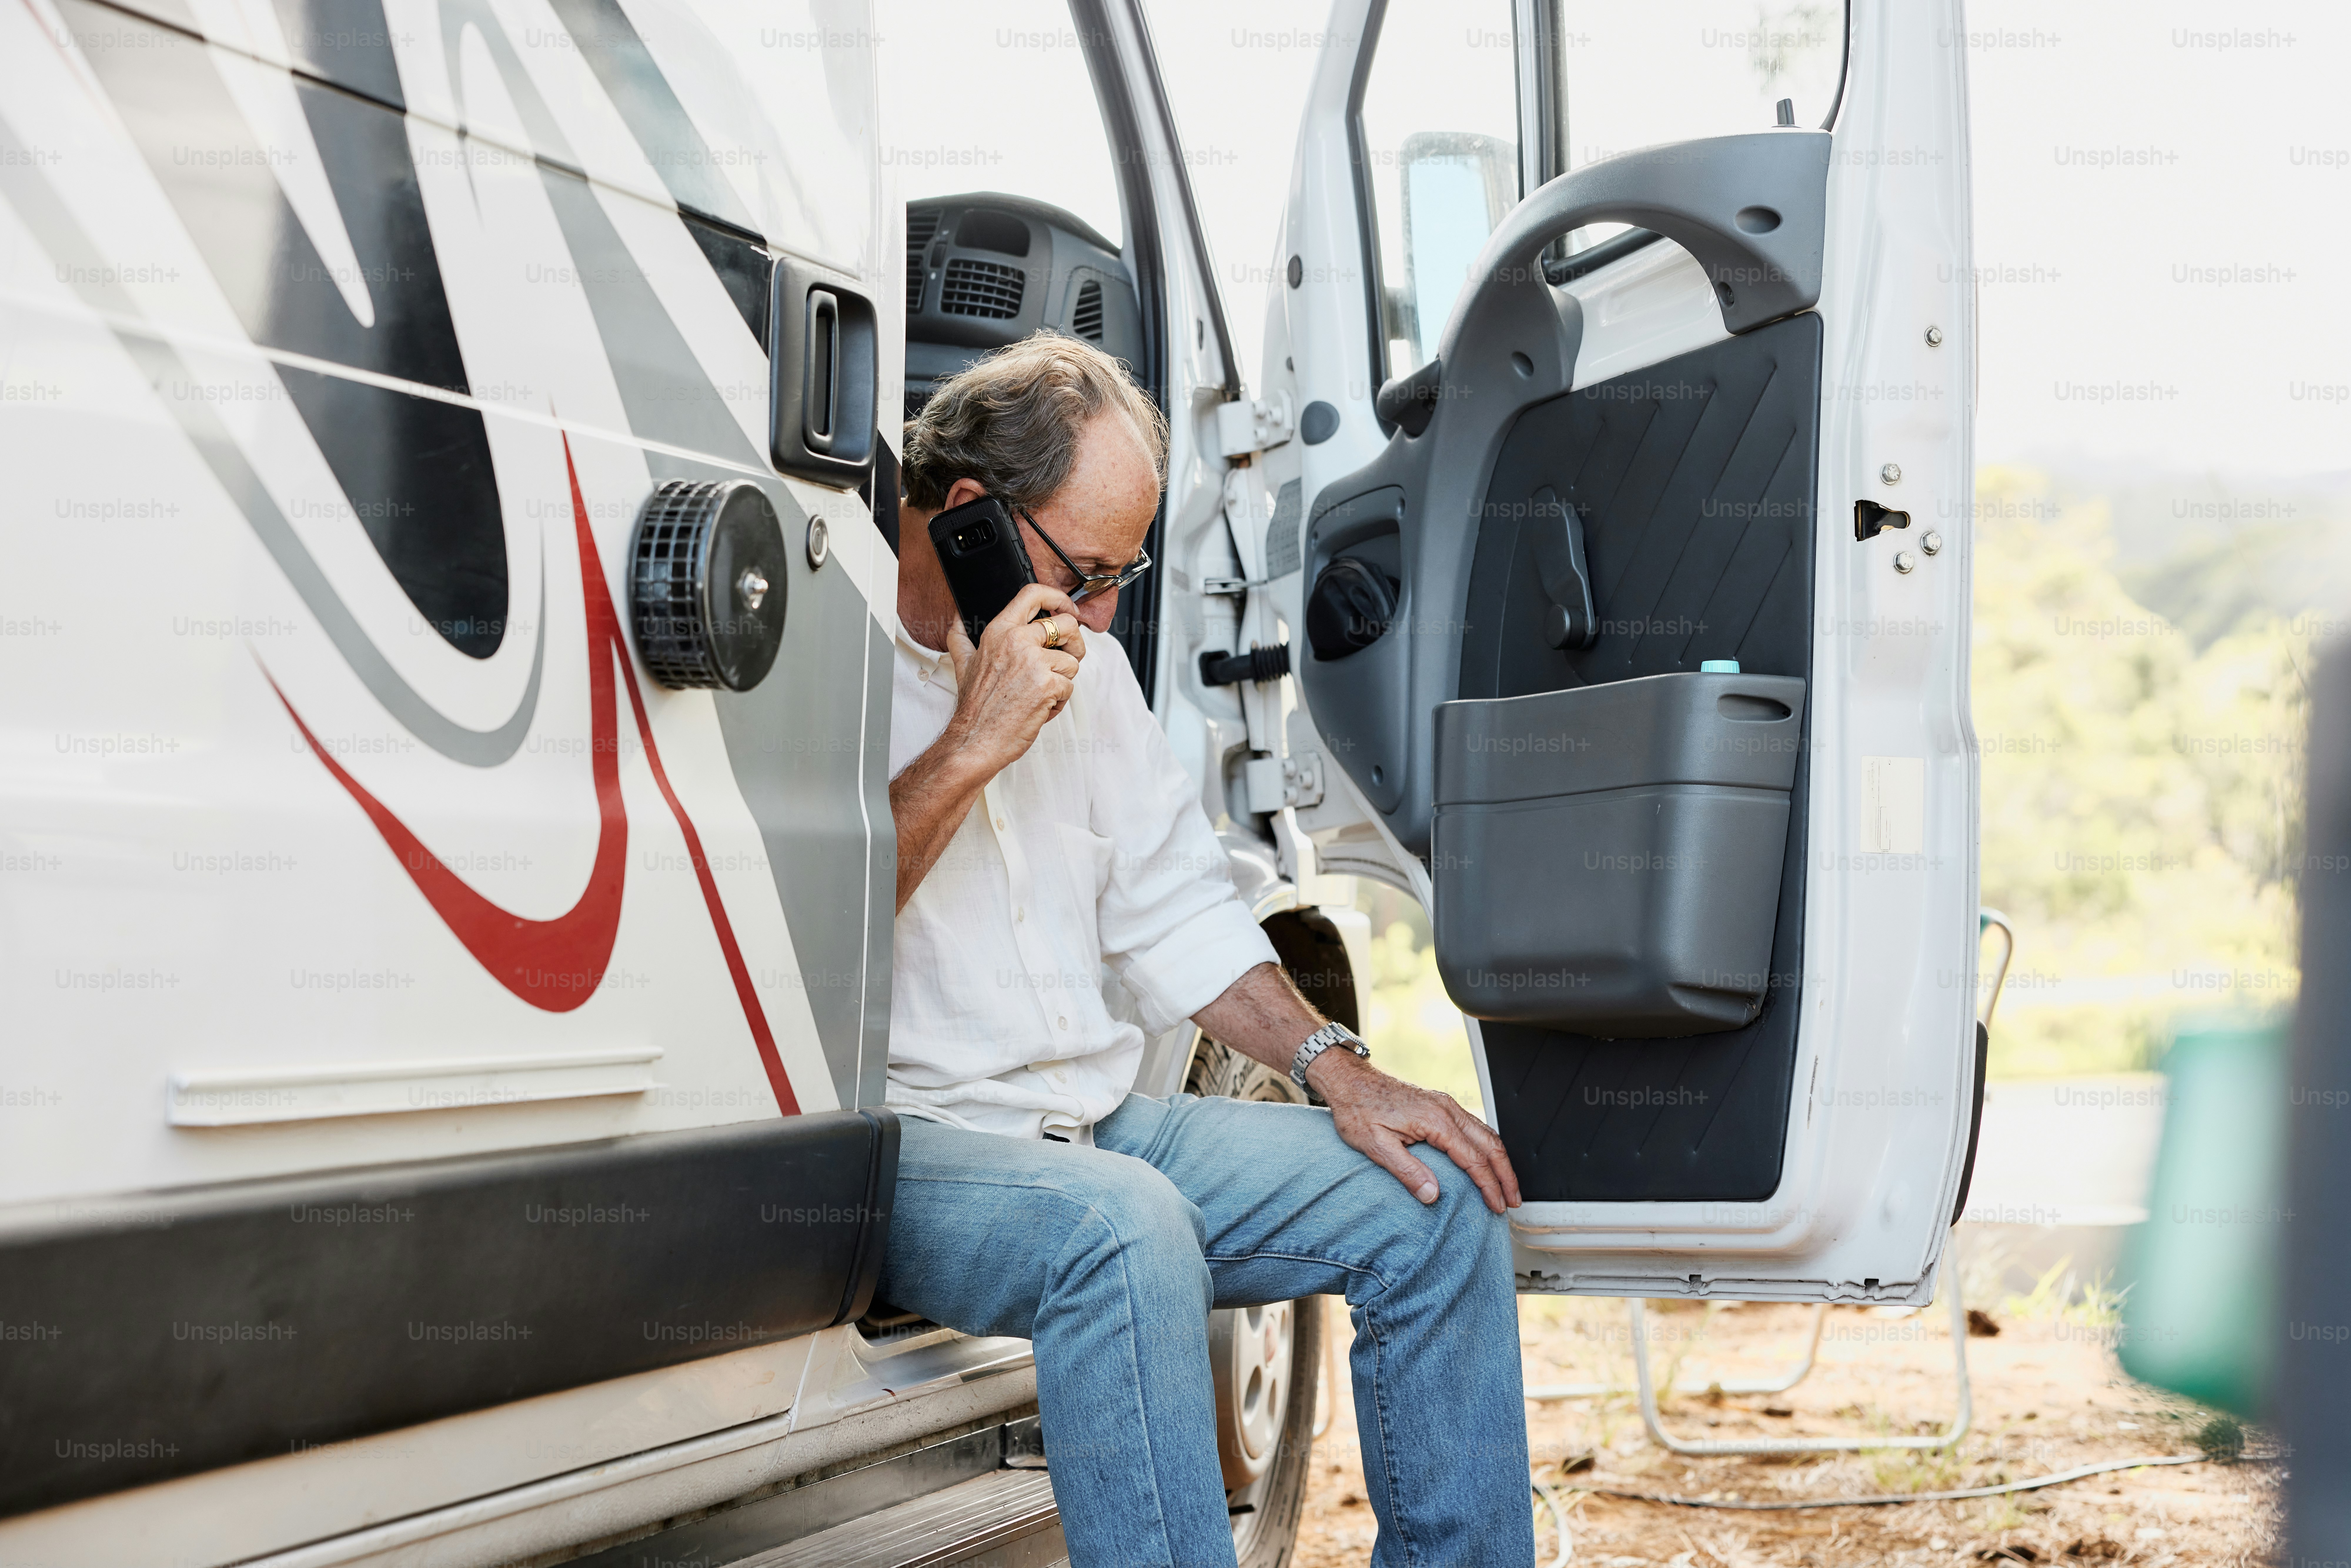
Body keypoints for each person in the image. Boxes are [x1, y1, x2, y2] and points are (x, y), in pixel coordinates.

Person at [876, 332, 1535, 1567]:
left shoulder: (1098, 676)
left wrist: (1341, 1068)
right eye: (1087, 572)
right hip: (912, 1149)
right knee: (1120, 1230)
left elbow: (1184, 918)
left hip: (1094, 1123)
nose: (1106, 613)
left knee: (1432, 1202)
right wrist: (972, 740)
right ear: (969, 514)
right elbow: (807, 936)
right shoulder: (821, 654)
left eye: (1125, 574)